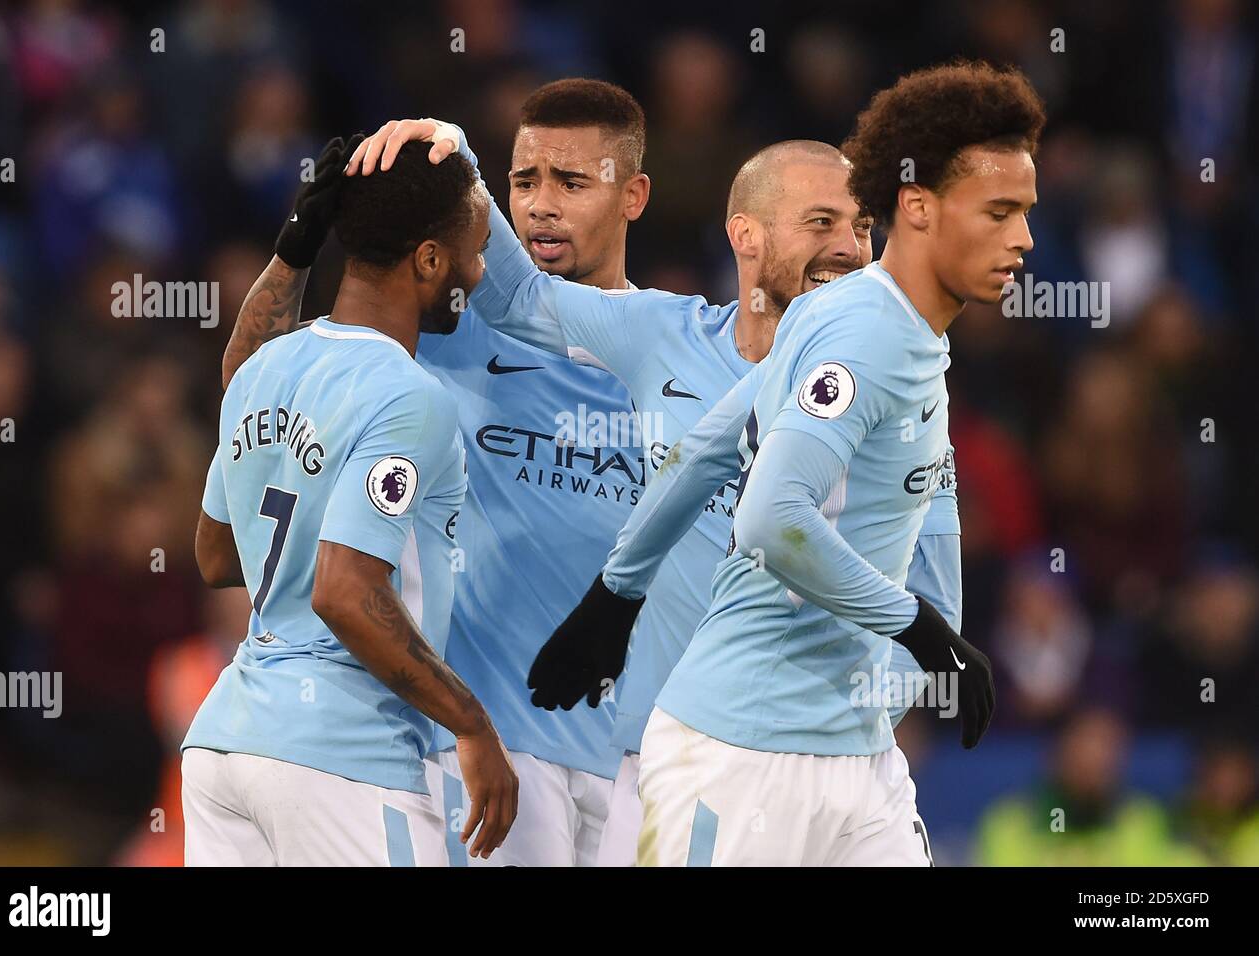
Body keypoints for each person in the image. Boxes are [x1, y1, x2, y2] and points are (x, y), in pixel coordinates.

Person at [346, 117, 877, 865]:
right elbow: (515, 300)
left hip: (788, 755)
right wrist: (455, 156)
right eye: (524, 182)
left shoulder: (886, 396)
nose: (852, 248)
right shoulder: (657, 335)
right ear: (746, 235)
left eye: (863, 228)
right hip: (596, 752)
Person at [224, 80, 650, 867]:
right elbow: (255, 393)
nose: (543, 205)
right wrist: (297, 247)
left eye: (572, 182)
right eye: (524, 182)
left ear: (634, 196)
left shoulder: (675, 346)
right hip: (486, 749)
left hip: (633, 756)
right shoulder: (447, 320)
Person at [628, 59, 1043, 865]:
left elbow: (712, 444)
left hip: (855, 758)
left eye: (1025, 212)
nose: (1023, 237)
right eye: (999, 212)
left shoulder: (903, 332)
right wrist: (920, 628)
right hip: (741, 758)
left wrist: (614, 589)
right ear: (917, 208)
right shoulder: (865, 333)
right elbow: (771, 516)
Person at [183, 140, 517, 866]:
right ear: (429, 261)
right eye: (475, 252)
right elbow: (342, 591)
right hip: (341, 754)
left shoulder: (264, 368)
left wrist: (291, 251)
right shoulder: (410, 397)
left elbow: (215, 555)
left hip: (224, 747)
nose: (479, 273)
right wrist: (472, 724)